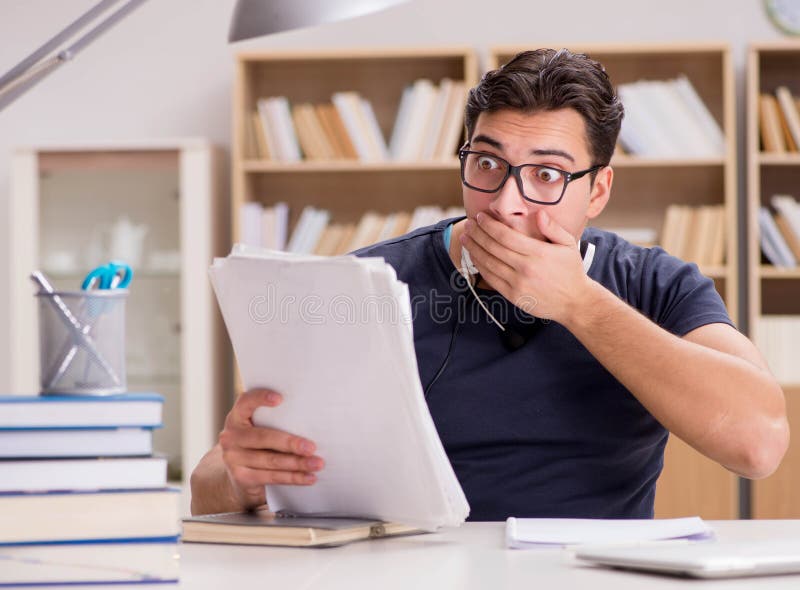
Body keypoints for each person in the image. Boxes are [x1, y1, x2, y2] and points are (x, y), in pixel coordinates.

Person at [190, 48, 789, 520]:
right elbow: (209, 486)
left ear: (598, 191)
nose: (506, 203)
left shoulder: (656, 285)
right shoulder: (364, 284)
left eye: (547, 174)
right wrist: (238, 478)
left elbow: (759, 445)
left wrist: (579, 304)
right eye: (487, 163)